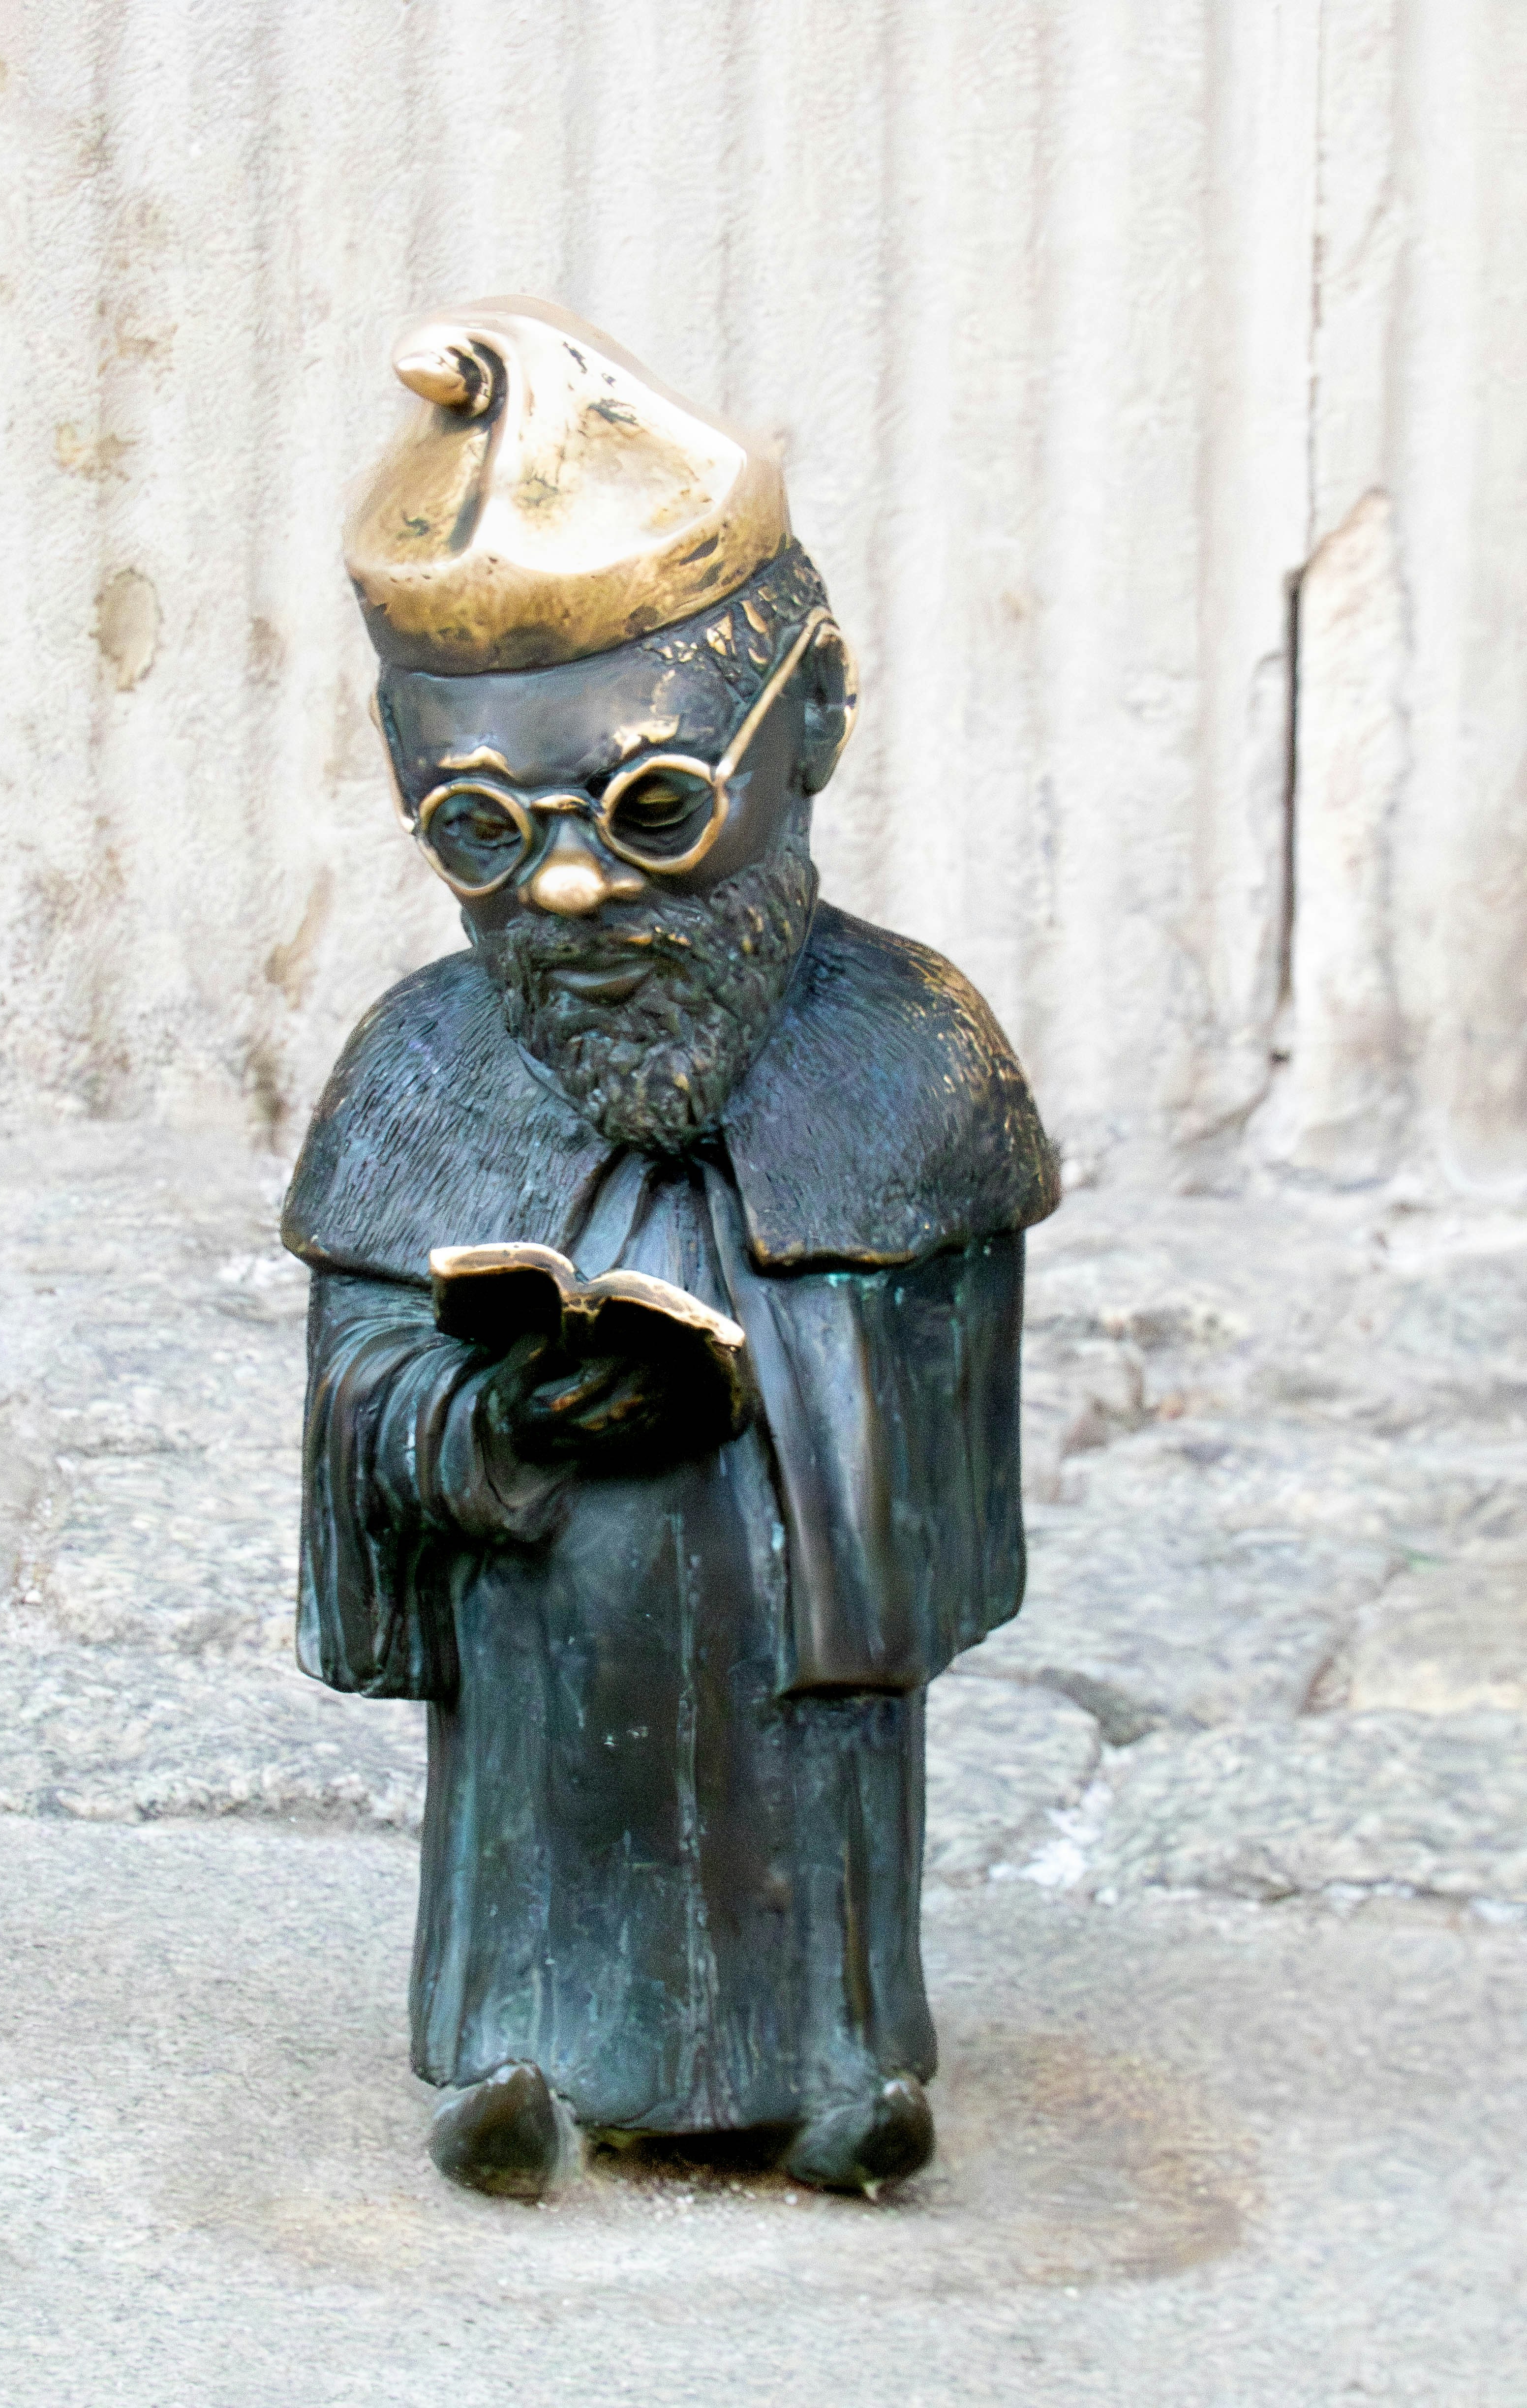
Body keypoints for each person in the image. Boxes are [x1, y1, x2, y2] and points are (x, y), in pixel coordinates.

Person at [282, 300, 1058, 2200]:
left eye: (651, 808)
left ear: (811, 722)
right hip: (539, 1601)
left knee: (816, 1763)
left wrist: (817, 1425)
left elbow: (958, 1407)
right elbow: (356, 1398)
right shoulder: (421, 1065)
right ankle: (520, 2055)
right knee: (544, 1753)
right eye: (484, 829)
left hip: (798, 1635)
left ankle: (841, 2060)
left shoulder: (914, 1047)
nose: (568, 888)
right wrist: (489, 1422)